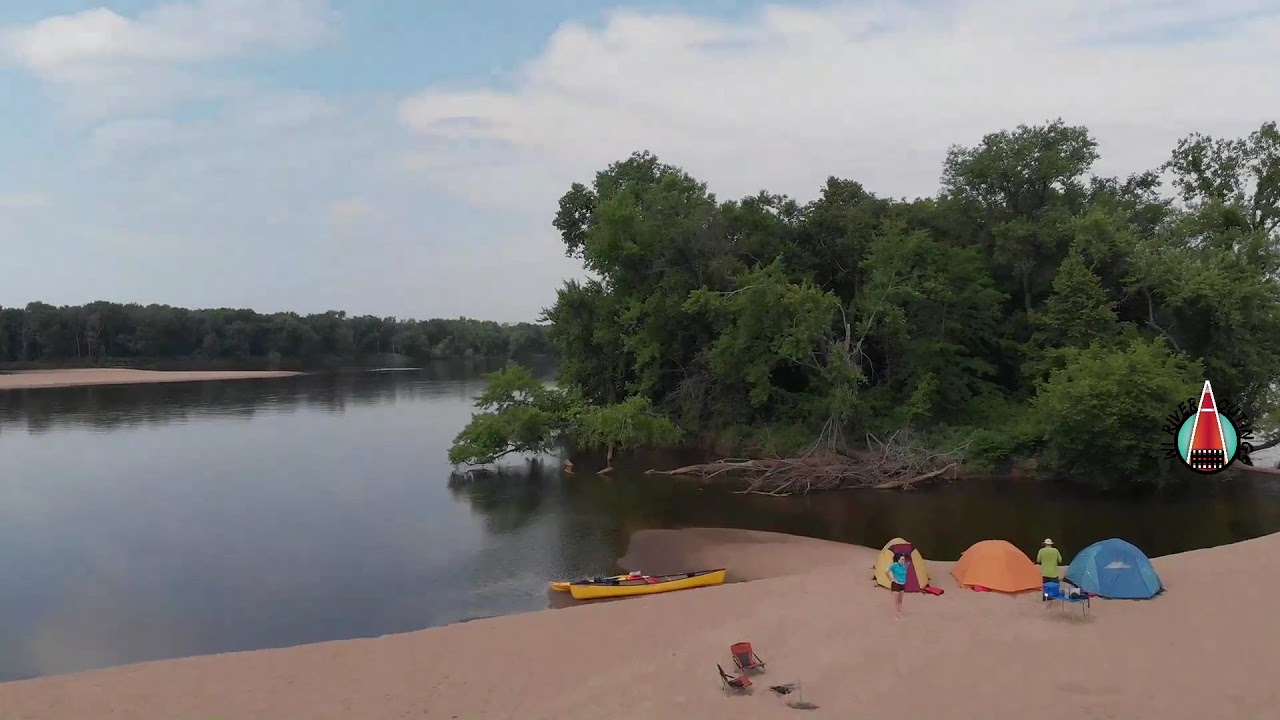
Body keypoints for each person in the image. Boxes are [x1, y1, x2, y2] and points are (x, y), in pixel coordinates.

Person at [889, 553, 908, 619]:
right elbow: (887, 570)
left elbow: (904, 574)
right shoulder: (895, 565)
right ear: (898, 560)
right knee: (896, 601)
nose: (903, 561)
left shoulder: (904, 566)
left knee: (900, 600)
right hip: (896, 584)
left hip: (902, 584)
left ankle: (900, 612)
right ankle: (896, 615)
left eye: (904, 559)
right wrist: (892, 579)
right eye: (902, 559)